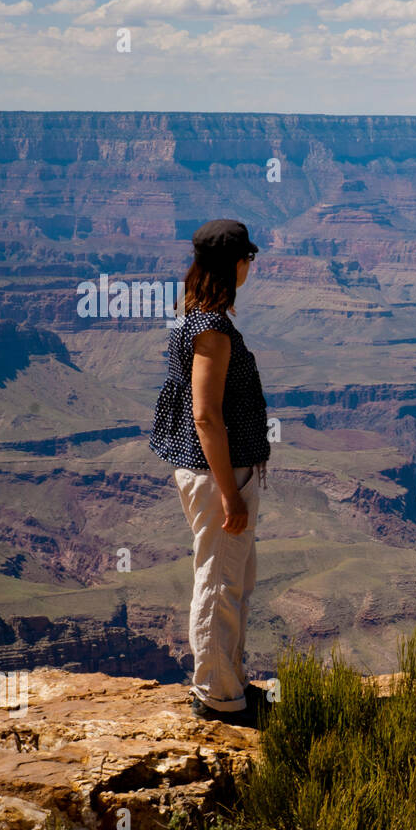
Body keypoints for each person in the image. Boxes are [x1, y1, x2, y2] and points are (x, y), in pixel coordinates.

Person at [149, 219, 271, 725]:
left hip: (217, 471)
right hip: (219, 474)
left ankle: (230, 683)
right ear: (233, 266)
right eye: (247, 259)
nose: (250, 267)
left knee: (234, 576)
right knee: (219, 581)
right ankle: (218, 698)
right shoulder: (212, 332)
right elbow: (206, 416)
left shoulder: (197, 317)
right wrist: (230, 494)